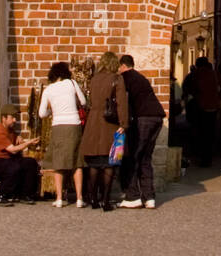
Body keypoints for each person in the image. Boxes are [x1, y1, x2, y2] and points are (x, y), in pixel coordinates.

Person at [80, 51, 128, 211]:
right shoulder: (117, 79)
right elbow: (121, 103)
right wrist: (124, 123)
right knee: (109, 162)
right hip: (109, 122)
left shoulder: (94, 79)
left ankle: (93, 199)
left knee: (94, 162)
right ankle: (105, 201)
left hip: (93, 121)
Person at [116, 54, 165, 209]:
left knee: (132, 157)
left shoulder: (125, 78)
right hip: (157, 117)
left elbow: (124, 102)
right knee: (145, 158)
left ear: (123, 66)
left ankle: (133, 196)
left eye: (118, 67)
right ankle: (149, 197)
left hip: (142, 118)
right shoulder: (140, 77)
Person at [39, 61, 86, 209]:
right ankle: (79, 198)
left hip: (58, 126)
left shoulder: (49, 89)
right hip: (74, 125)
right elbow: (83, 102)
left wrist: (51, 111)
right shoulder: (72, 83)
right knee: (77, 162)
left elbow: (41, 113)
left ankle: (59, 198)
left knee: (58, 163)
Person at [0, 107, 41, 204]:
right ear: (4, 118)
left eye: (15, 117)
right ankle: (0, 196)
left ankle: (25, 194)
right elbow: (13, 150)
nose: (15, 120)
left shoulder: (10, 130)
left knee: (30, 162)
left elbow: (16, 144)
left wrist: (19, 139)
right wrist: (28, 143)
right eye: (12, 117)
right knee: (13, 167)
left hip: (7, 159)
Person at [189, 57, 221, 167]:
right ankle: (209, 158)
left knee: (201, 133)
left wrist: (197, 97)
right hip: (213, 107)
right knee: (210, 133)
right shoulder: (214, 74)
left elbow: (192, 88)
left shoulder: (197, 74)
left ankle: (203, 158)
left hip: (201, 107)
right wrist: (217, 98)